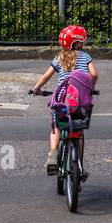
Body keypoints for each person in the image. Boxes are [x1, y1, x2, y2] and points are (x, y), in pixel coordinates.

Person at [31, 25, 99, 174]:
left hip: (62, 101)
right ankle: (79, 165)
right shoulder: (85, 57)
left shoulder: (59, 58)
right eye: (81, 41)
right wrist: (90, 88)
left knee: (56, 126)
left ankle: (53, 154)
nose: (83, 44)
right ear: (76, 43)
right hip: (79, 101)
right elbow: (94, 74)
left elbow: (46, 76)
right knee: (79, 132)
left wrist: (36, 88)